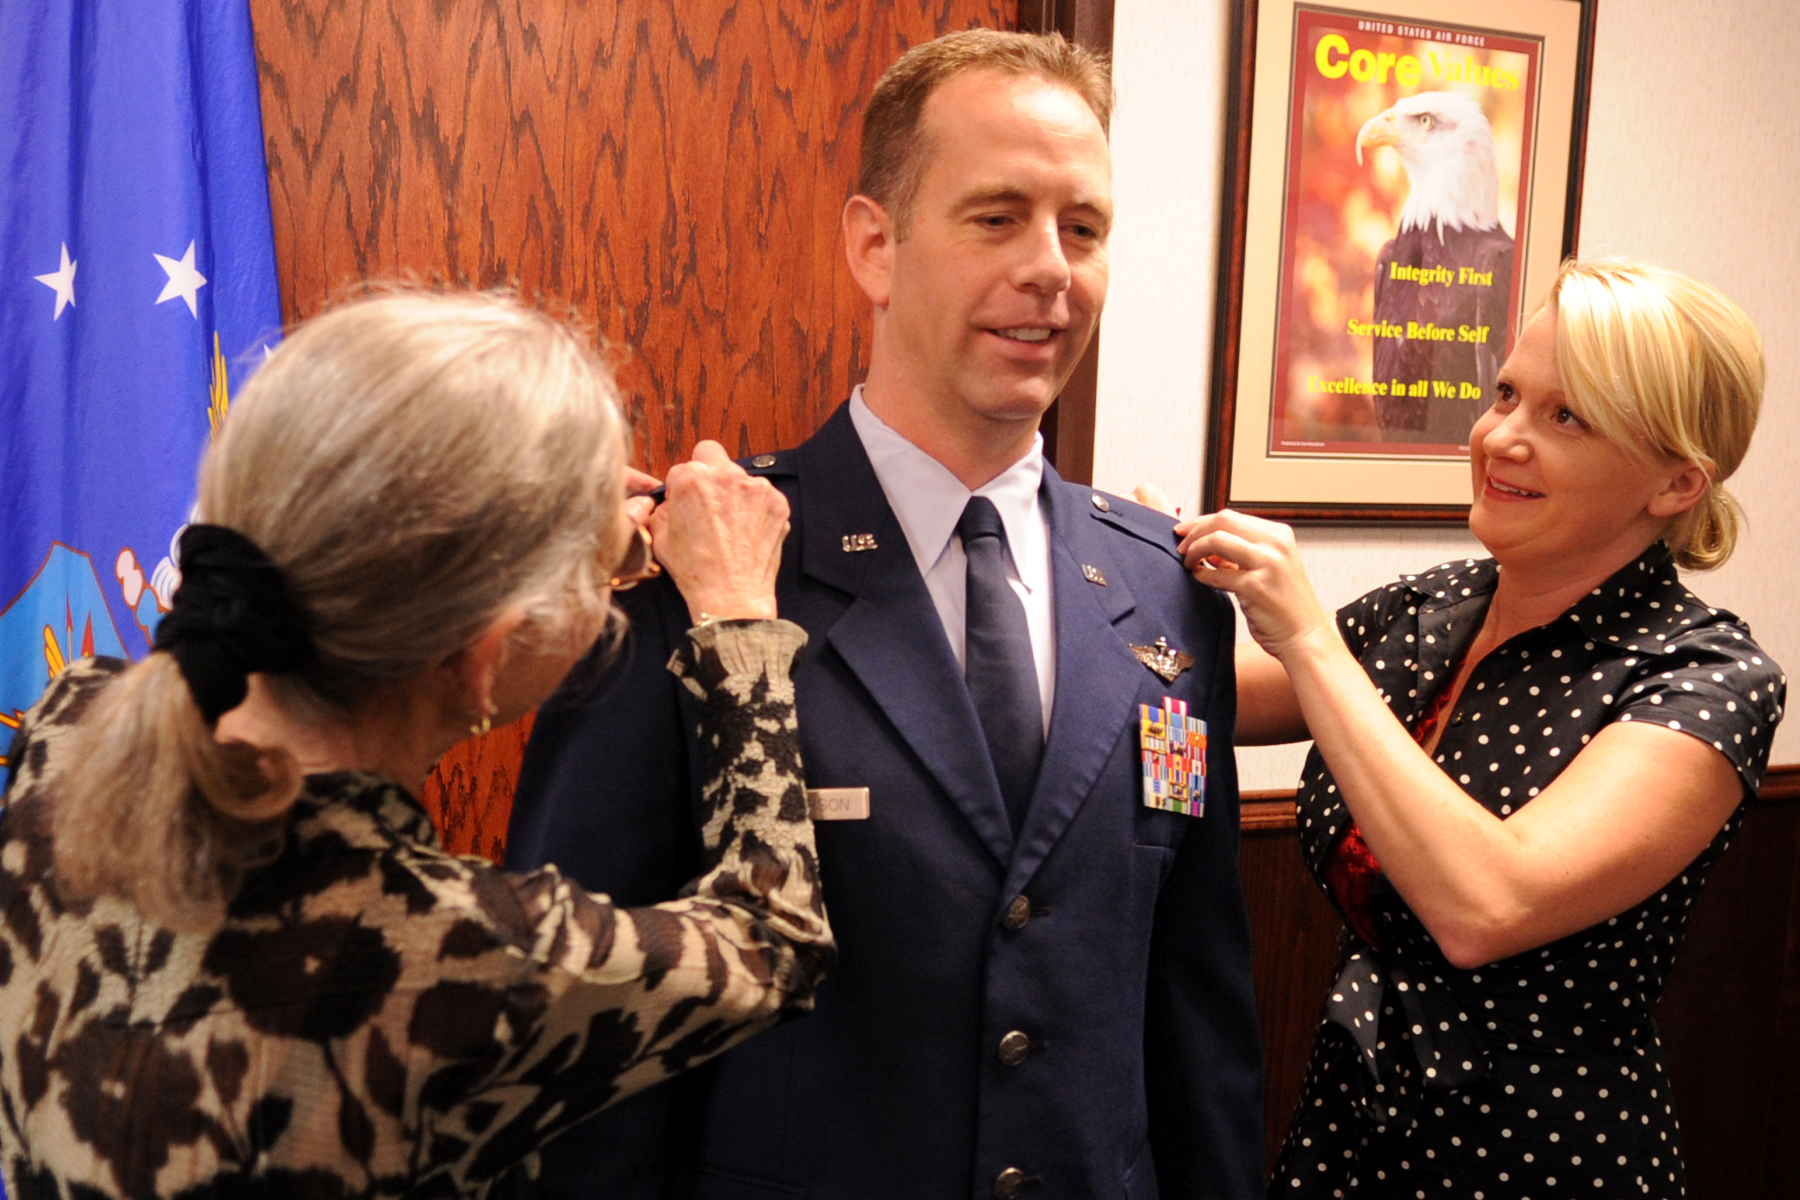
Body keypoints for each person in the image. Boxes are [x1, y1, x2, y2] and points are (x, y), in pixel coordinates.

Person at [507, 28, 1263, 1200]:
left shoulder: (1164, 591)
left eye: (1084, 228)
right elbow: (590, 1033)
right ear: (875, 246)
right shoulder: (700, 568)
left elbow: (1194, 1014)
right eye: (996, 217)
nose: (1051, 269)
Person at [0, 290, 833, 1199]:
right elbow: (771, 942)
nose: (617, 585)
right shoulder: (458, 952)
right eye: (608, 575)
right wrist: (736, 615)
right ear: (482, 660)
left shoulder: (68, 732)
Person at [1172, 258, 1786, 1198]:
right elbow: (1208, 689)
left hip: (1540, 1160)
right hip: (1351, 1128)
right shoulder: (1433, 609)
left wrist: (1307, 636)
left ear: (1675, 482)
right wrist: (1119, 569)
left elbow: (1486, 905)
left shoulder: (1704, 678)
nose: (1500, 437)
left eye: (1566, 417)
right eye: (1506, 394)